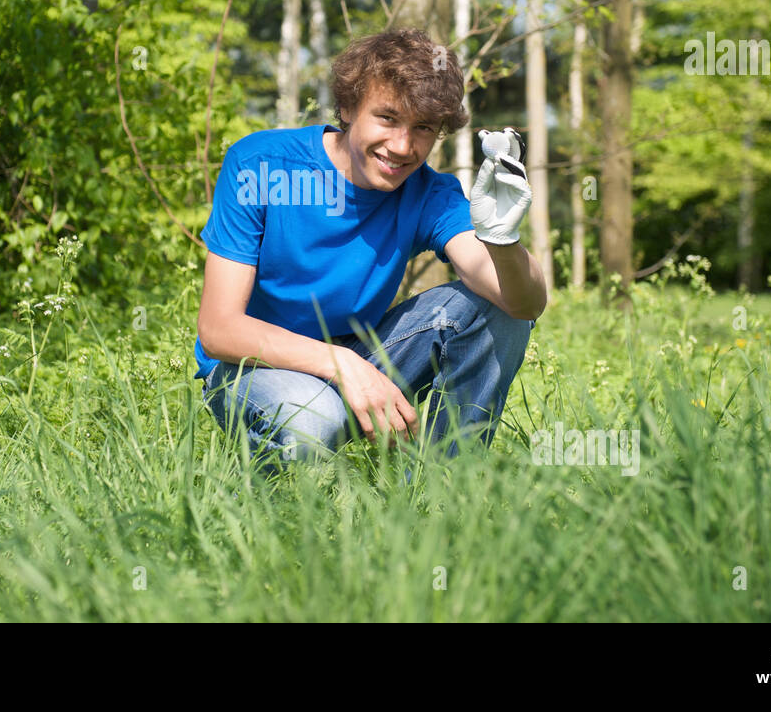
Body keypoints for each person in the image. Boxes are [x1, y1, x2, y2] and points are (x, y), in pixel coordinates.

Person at [193, 29, 547, 475]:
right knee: (313, 420)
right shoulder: (260, 164)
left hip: (362, 356)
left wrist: (503, 241)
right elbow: (219, 330)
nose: (402, 146)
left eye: (422, 128)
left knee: (495, 309)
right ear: (346, 108)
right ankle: (275, 506)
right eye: (387, 118)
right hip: (255, 366)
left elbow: (524, 304)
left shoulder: (429, 193)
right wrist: (338, 364)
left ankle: (445, 492)